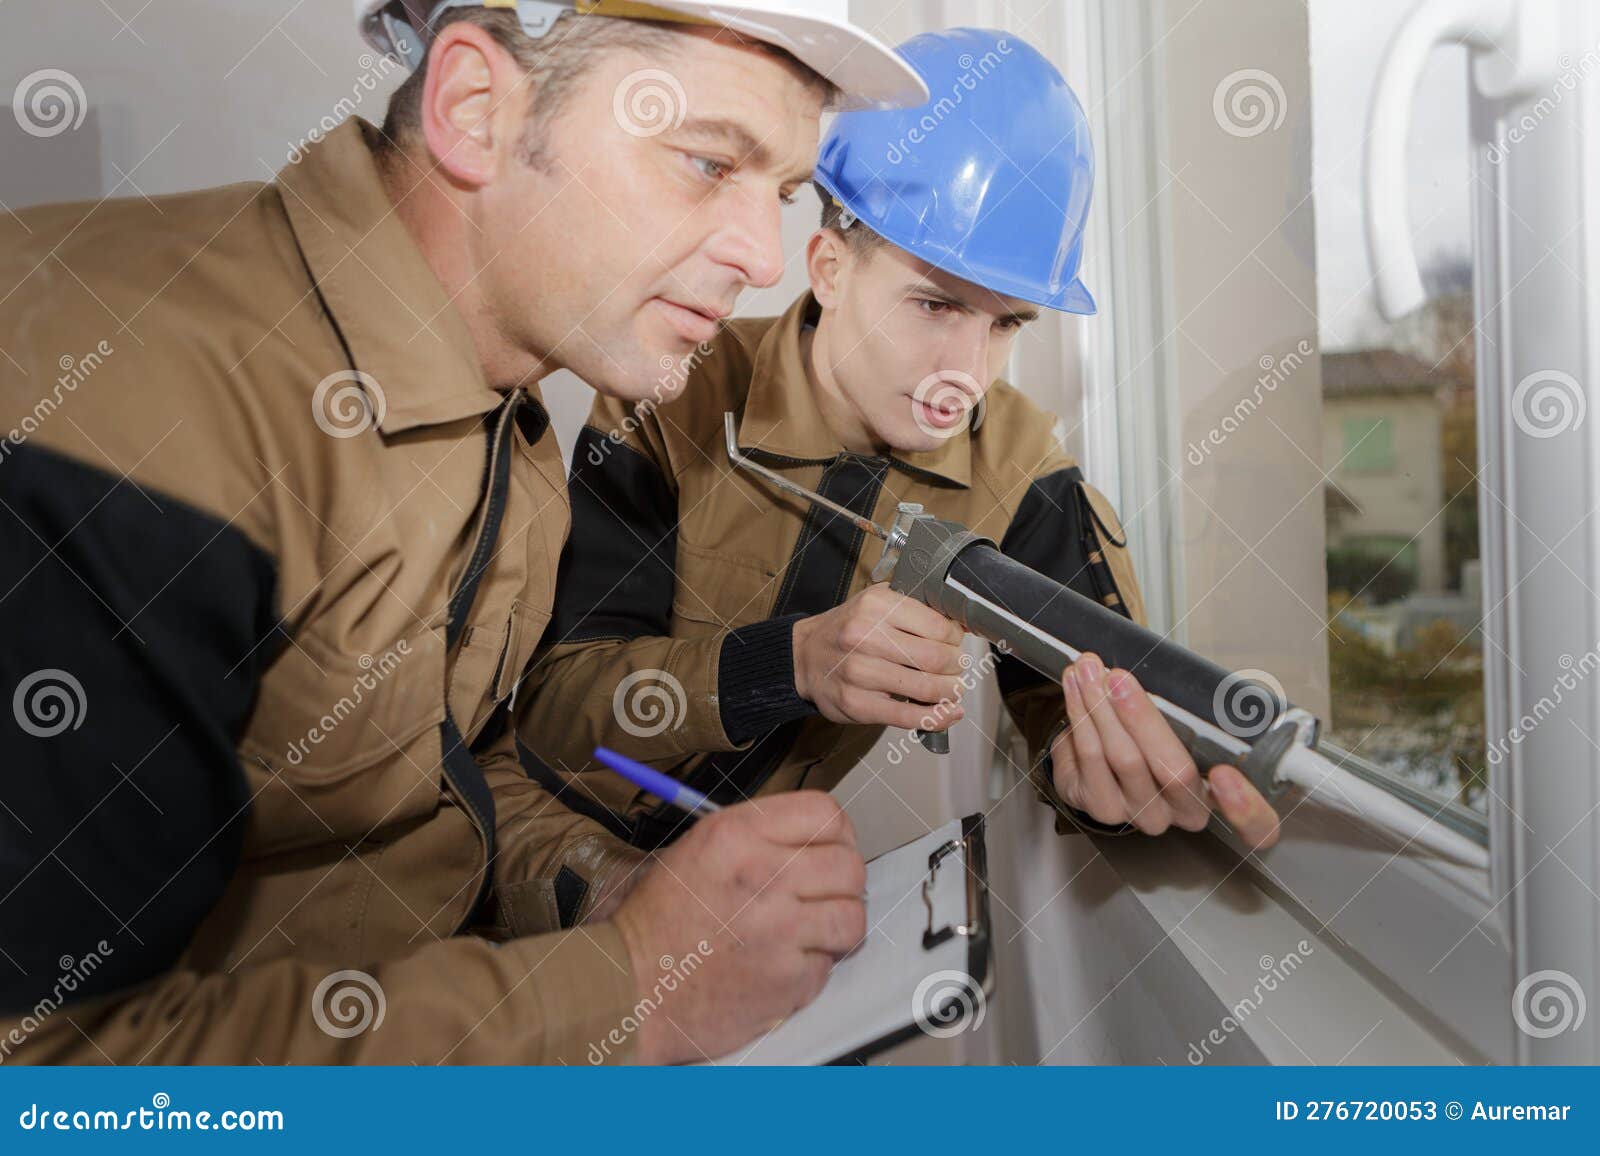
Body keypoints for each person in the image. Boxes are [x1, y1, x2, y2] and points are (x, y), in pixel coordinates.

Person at [0, 0, 927, 1065]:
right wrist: (630, 989)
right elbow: (46, 1077)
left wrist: (615, 891)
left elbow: (450, 781)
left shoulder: (511, 425)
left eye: (785, 194)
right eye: (709, 163)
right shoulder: (125, 403)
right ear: (475, 110)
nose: (763, 258)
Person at [517, 27, 1284, 858]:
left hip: (740, 891)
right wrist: (793, 665)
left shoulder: (1021, 471)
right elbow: (553, 715)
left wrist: (1109, 786)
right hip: (542, 844)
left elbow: (1084, 727)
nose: (966, 373)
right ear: (830, 267)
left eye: (1007, 325)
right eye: (936, 306)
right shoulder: (673, 398)